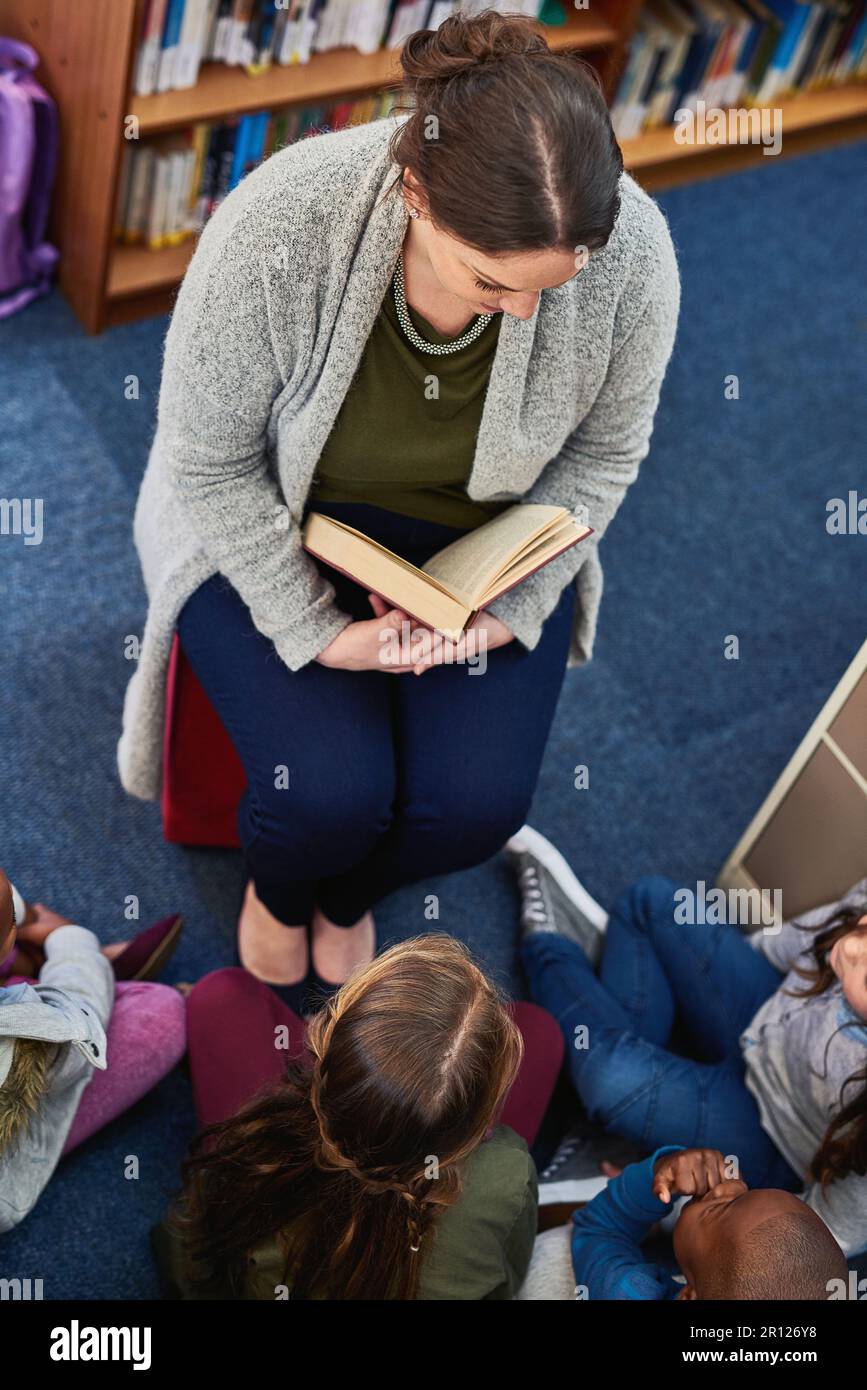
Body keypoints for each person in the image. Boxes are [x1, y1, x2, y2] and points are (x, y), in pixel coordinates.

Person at [118, 11, 680, 992]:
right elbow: (206, 462)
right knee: (327, 793)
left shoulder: (633, 256)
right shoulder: (281, 223)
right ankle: (283, 892)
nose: (527, 313)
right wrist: (316, 629)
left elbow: (604, 457)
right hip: (276, 517)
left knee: (477, 806)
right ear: (415, 191)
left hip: (483, 549)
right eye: (492, 282)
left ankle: (347, 896)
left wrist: (502, 610)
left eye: (558, 281)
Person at [509, 826, 867, 1257]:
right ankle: (620, 1122)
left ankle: (553, 950)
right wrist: (706, 967)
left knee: (608, 1076)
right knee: (653, 902)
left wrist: (684, 1207)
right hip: (769, 1012)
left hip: (776, 1137)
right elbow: (798, 943)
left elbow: (818, 1240)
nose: (854, 940)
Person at [152, 935, 564, 1300]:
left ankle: (358, 1065)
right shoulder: (505, 1172)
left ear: (325, 1038)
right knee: (541, 1030)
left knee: (223, 994)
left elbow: (192, 1249)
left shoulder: (255, 1142)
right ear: (476, 1125)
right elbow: (505, 1281)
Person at [0, 869, 186, 1232]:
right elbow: (76, 1023)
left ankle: (32, 967)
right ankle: (74, 965)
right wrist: (69, 941)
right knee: (162, 1014)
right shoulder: (21, 1050)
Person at [521, 1147, 849, 1300]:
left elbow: (598, 1225)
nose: (731, 1184)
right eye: (749, 1191)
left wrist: (657, 1174)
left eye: (719, 1207)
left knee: (555, 1238)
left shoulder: (630, 1290)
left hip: (550, 1277)